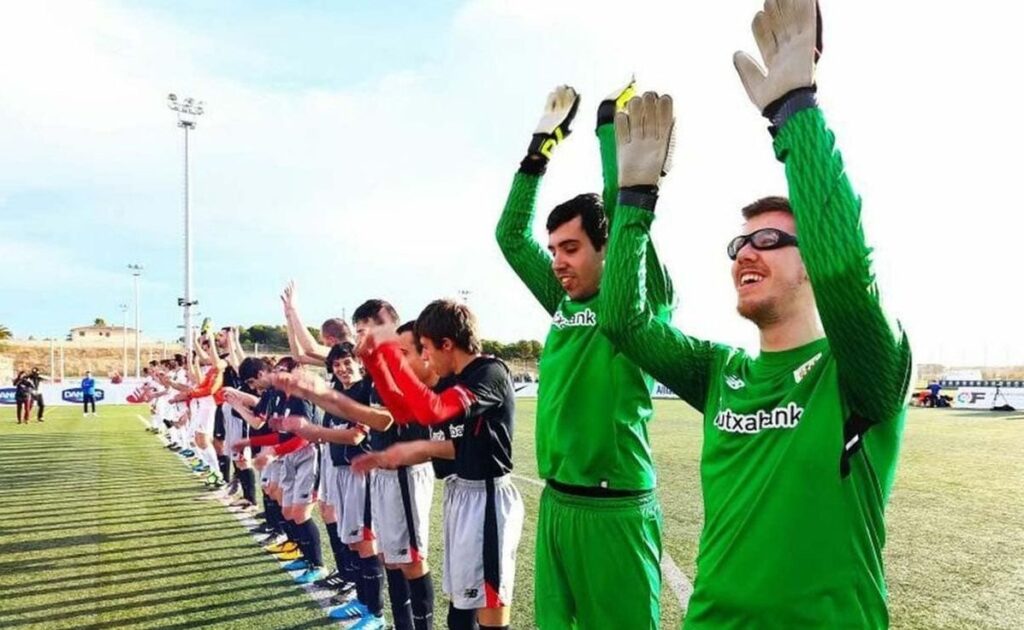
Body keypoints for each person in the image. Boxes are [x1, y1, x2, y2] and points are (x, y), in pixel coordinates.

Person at [599, 2, 912, 626]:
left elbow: (847, 271)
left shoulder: (862, 370)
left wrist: (795, 111)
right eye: (740, 243)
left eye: (770, 241)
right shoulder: (722, 371)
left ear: (810, 264)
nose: (747, 251)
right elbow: (625, 321)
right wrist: (633, 200)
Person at [495, 80, 674, 628]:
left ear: (607, 249)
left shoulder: (638, 302)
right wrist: (538, 150)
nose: (557, 262)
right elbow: (509, 237)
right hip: (558, 506)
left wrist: (606, 136)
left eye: (570, 248)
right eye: (554, 251)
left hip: (615, 510)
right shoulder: (562, 304)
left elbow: (627, 221)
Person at [353, 299, 523, 630]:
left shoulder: (489, 373)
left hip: (487, 497)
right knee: (461, 607)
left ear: (447, 344)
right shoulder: (449, 380)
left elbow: (435, 410)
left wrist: (386, 354)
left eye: (424, 348)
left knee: (487, 602)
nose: (425, 356)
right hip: (461, 494)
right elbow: (420, 418)